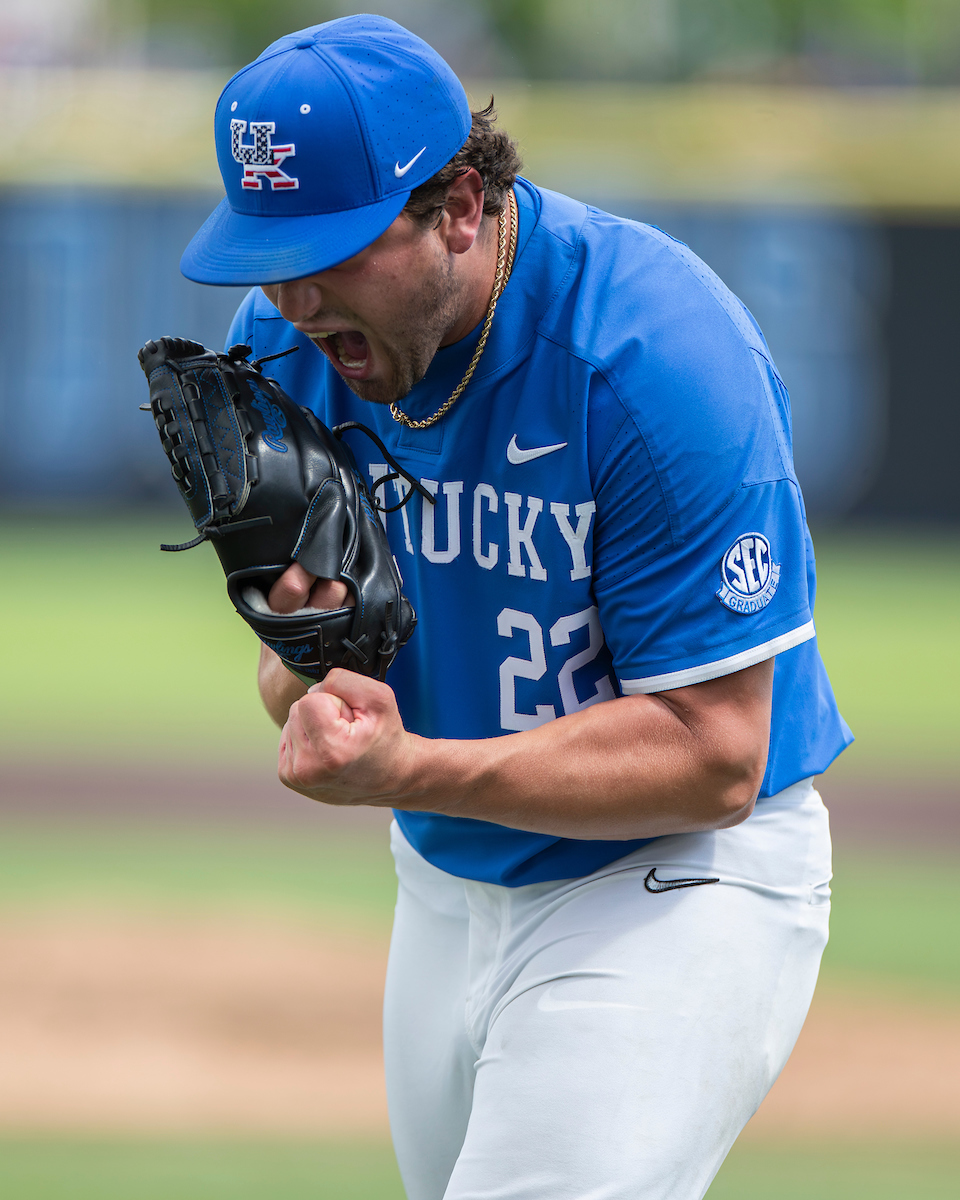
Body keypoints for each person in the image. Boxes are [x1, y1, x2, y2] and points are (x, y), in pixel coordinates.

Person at [181, 15, 852, 1199]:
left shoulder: (652, 356)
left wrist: (409, 770)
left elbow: (715, 755)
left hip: (674, 876)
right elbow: (306, 683)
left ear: (458, 208)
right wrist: (309, 659)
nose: (292, 294)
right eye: (267, 254)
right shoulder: (284, 348)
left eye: (331, 249)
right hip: (446, 878)